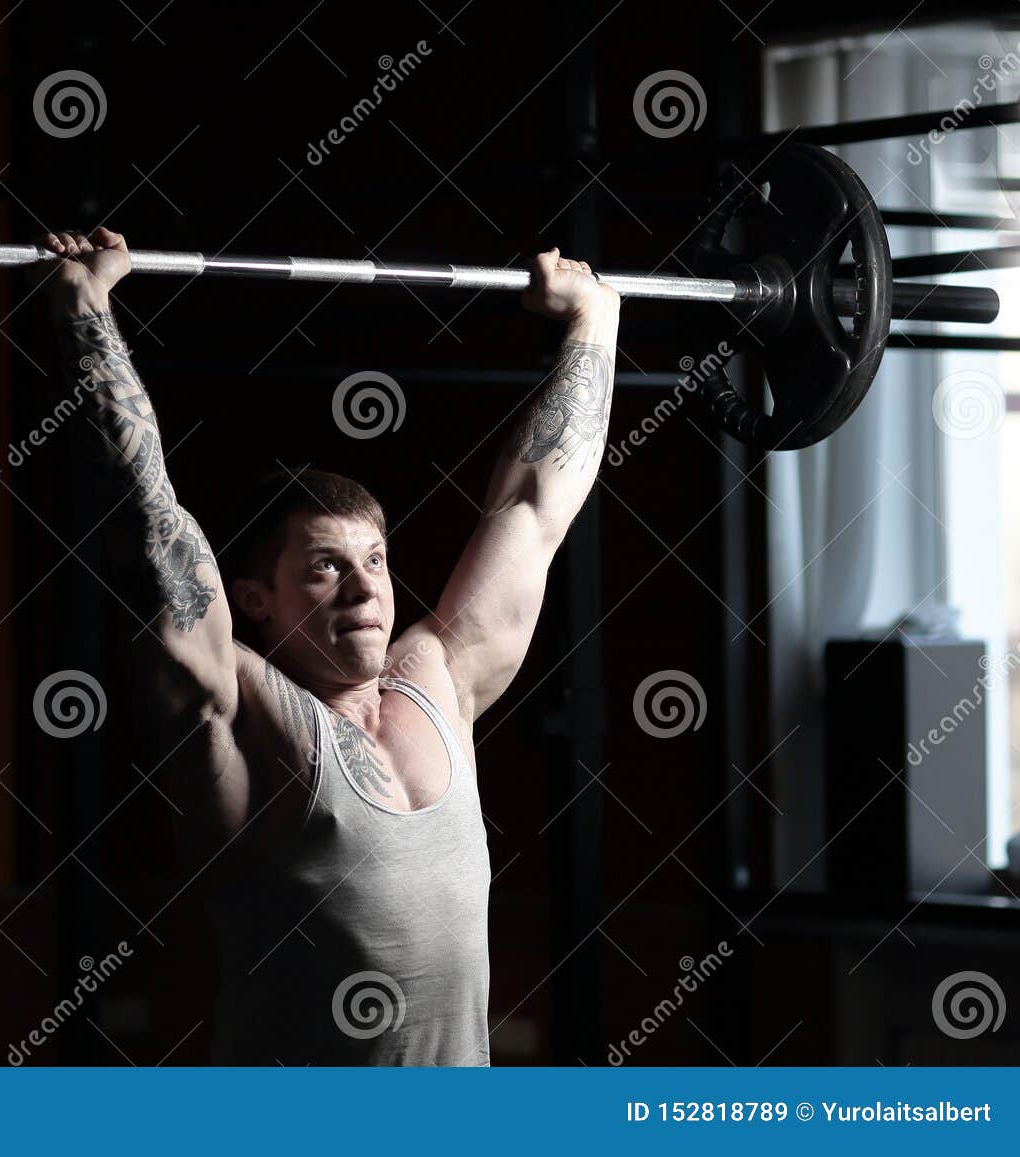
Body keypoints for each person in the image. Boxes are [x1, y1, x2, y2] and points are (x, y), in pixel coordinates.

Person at [32, 226, 619, 1065]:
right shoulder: (243, 721)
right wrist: (85, 309)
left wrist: (594, 319)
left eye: (375, 559)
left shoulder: (439, 678)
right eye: (326, 567)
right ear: (255, 601)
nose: (365, 587)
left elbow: (535, 507)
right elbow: (151, 519)